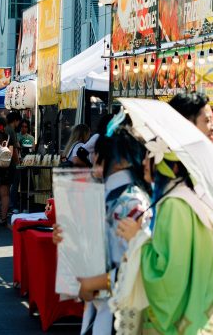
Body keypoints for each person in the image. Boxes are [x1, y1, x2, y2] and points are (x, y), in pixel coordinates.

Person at [114, 131, 213, 334]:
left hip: (180, 321)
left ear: (172, 167)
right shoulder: (182, 200)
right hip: (198, 315)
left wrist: (137, 238)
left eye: (151, 158)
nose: (145, 163)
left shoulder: (174, 205)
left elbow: (168, 274)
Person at [55, 120, 153, 335]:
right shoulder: (115, 195)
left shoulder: (129, 201)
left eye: (99, 154)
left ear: (120, 159)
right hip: (102, 306)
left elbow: (135, 267)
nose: (93, 160)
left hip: (119, 311)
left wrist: (90, 282)